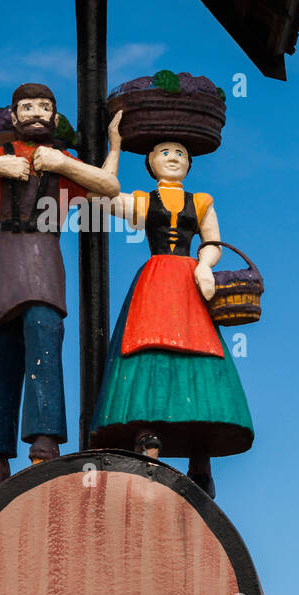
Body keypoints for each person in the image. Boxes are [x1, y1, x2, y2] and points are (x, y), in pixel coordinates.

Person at [0, 83, 119, 496]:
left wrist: (64, 162)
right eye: (28, 107)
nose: (36, 113)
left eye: (45, 107)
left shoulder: (62, 162)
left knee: (44, 340)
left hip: (43, 257)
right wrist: (0, 169)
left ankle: (45, 438)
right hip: (5, 261)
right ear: (14, 114)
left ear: (55, 117)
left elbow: (106, 188)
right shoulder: (1, 158)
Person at [90, 112, 253, 498]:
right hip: (157, 279)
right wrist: (114, 146)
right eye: (165, 152)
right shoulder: (148, 201)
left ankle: (201, 450)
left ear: (190, 162)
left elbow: (212, 241)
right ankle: (148, 432)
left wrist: (206, 266)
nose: (174, 157)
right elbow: (101, 195)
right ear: (150, 163)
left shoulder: (201, 201)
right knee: (151, 349)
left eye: (180, 152)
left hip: (191, 282)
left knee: (199, 356)